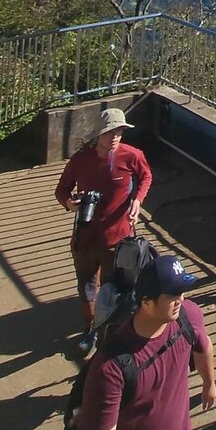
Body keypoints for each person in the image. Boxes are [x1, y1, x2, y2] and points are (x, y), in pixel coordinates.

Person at [76, 253, 216, 430]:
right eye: (172, 294)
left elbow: (204, 346)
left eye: (181, 291)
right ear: (146, 302)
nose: (181, 299)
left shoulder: (188, 316)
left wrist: (209, 382)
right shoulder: (110, 368)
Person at [56, 107, 153, 347]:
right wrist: (70, 204)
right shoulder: (80, 160)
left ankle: (112, 333)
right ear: (98, 135)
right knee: (87, 287)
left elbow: (146, 176)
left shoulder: (132, 155)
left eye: (119, 131)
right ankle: (89, 329)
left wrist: (137, 200)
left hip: (118, 240)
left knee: (116, 289)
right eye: (110, 132)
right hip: (85, 238)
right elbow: (61, 190)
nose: (115, 137)